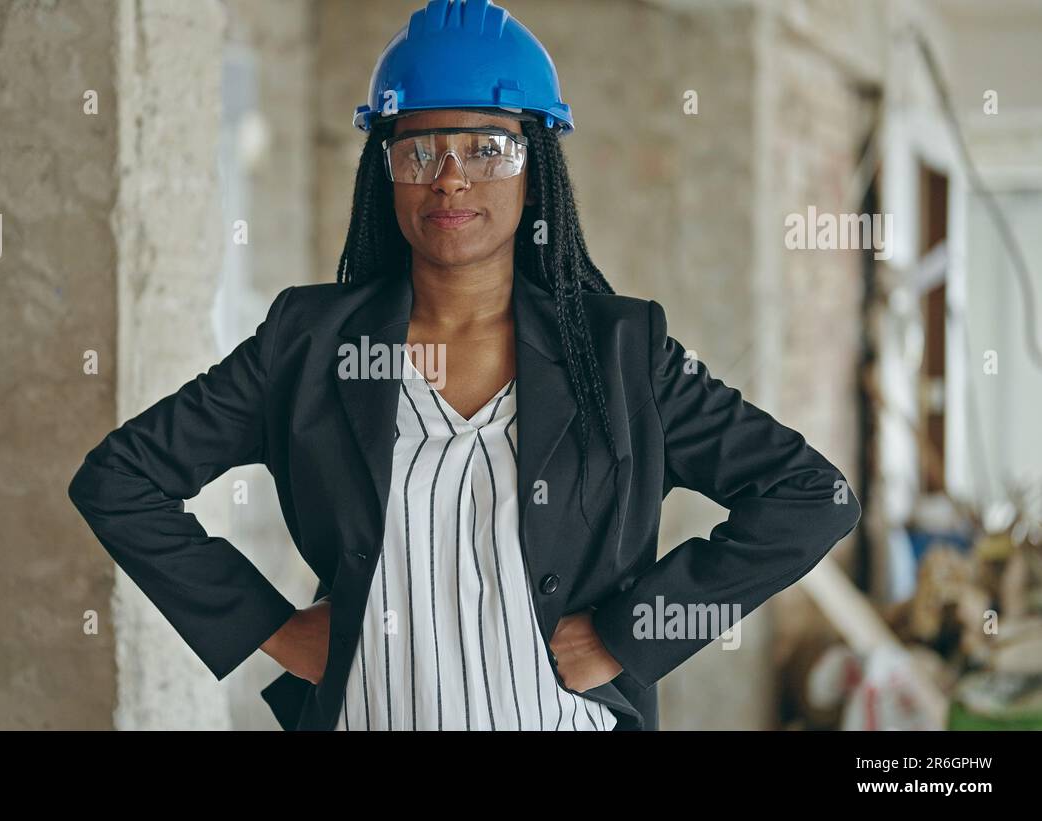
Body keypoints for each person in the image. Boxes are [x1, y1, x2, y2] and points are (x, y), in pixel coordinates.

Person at [67, 0, 862, 731]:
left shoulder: (620, 352)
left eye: (486, 148)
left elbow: (810, 497)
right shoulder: (308, 344)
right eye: (419, 149)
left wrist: (629, 632)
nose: (449, 176)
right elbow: (120, 481)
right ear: (385, 167)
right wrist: (270, 627)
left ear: (535, 165)